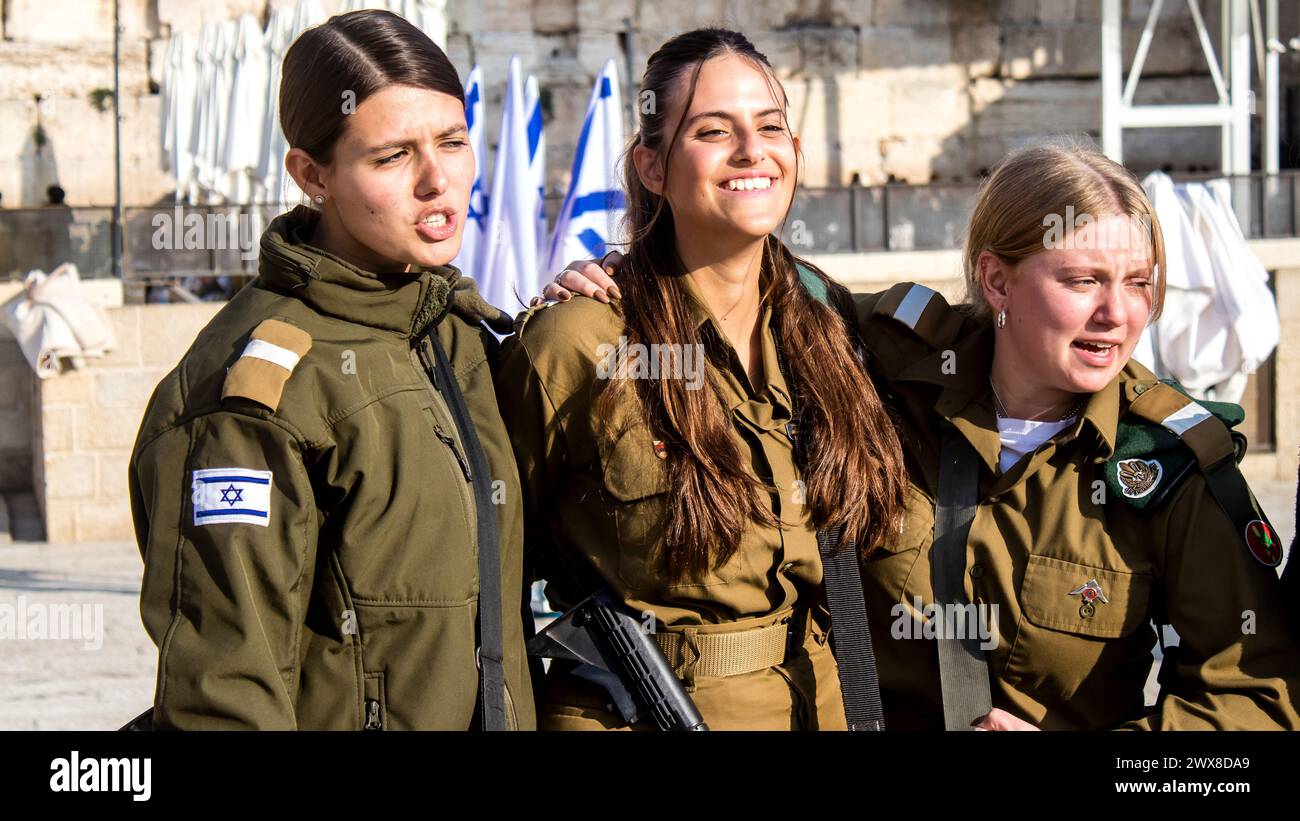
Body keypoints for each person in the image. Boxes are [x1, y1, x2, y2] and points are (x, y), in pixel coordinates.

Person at [547, 141, 1300, 730]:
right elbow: (739, 280)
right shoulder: (876, 365)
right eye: (1082, 280)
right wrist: (621, 284)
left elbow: (1261, 704)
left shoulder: (1171, 466)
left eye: (1139, 282)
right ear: (997, 281)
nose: (1119, 314)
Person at [128, 9, 535, 730]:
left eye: (454, 140)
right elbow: (224, 694)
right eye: (392, 157)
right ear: (312, 175)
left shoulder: (454, 331)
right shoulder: (252, 394)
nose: (439, 180)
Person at [495, 28, 909, 730]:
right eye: (714, 131)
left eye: (770, 126)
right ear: (652, 166)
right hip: (642, 711)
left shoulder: (833, 328)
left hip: (824, 705)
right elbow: (491, 569)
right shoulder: (579, 343)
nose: (752, 151)